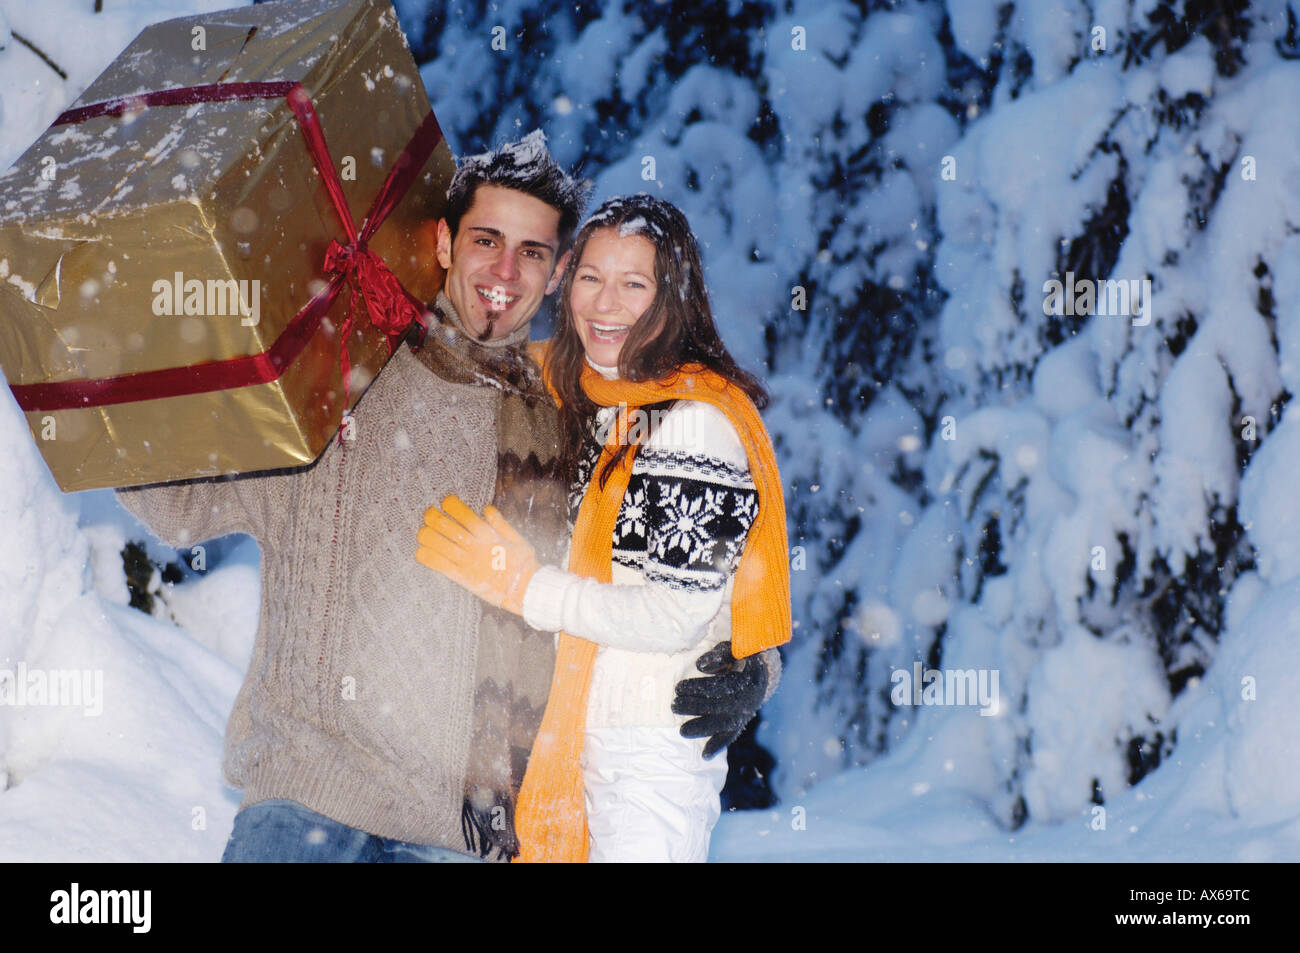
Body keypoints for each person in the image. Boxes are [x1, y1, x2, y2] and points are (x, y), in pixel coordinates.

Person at [117, 135, 777, 862]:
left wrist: (750, 656)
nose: (504, 269)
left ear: (555, 274)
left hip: (463, 830)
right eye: (486, 239)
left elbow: (686, 542)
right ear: (441, 242)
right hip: (311, 790)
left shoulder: (570, 413)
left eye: (532, 252)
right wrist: (115, 376)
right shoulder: (341, 372)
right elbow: (180, 504)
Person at [417, 193, 792, 862]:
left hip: (648, 747)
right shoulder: (597, 396)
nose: (604, 303)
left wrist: (527, 587)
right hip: (587, 731)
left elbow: (677, 611)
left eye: (633, 283)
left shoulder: (692, 421)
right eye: (590, 277)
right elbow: (480, 360)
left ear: (672, 297)